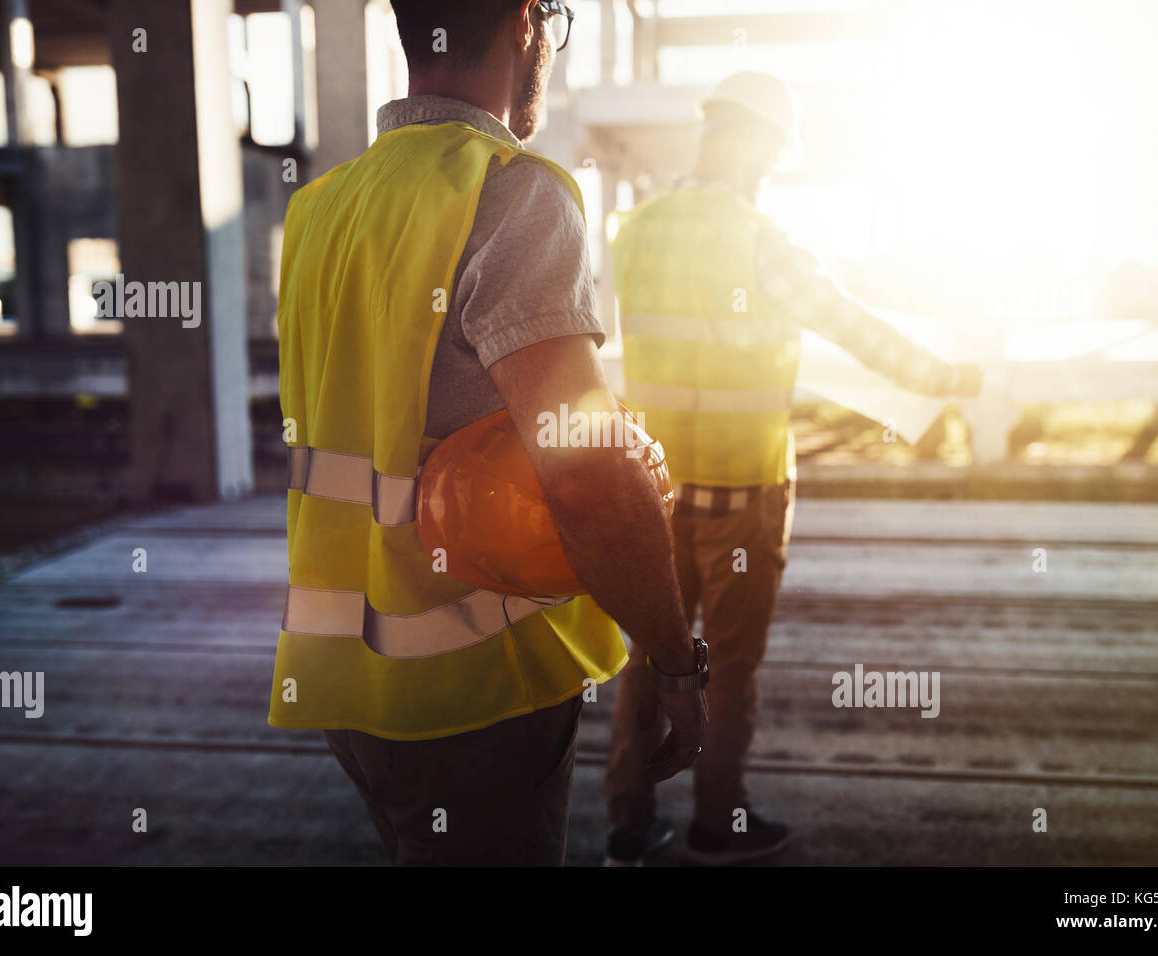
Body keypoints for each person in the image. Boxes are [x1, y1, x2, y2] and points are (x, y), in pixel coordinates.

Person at [268, 0, 705, 866]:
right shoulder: (513, 196)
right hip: (474, 688)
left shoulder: (320, 210)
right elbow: (585, 476)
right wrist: (672, 658)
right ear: (525, 21)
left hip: (342, 680)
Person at [604, 72, 983, 866]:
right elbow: (853, 327)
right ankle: (717, 822)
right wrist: (948, 378)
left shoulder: (633, 230)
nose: (771, 167)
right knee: (730, 671)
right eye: (773, 149)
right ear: (753, 142)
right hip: (744, 499)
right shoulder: (761, 239)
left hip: (655, 499)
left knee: (647, 661)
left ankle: (630, 826)